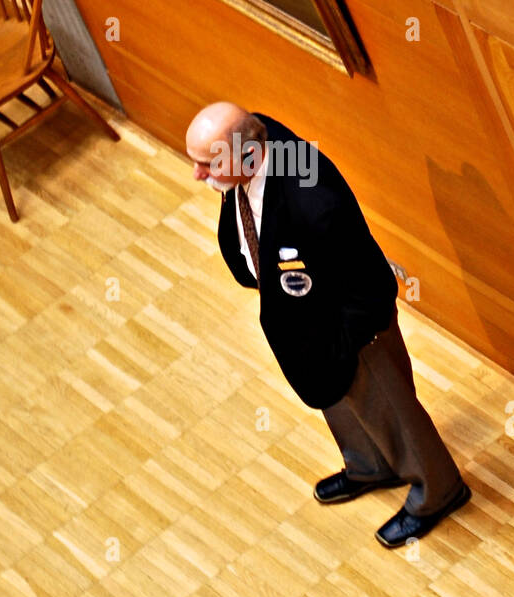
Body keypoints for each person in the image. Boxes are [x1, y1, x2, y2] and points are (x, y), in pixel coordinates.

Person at [185, 102, 471, 546]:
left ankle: (437, 491)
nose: (198, 175)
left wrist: (347, 347)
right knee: (338, 403)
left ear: (247, 156)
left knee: (391, 412)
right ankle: (370, 465)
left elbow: (366, 289)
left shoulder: (313, 198)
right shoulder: (249, 148)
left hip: (354, 331)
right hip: (306, 326)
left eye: (207, 164)